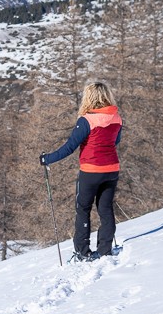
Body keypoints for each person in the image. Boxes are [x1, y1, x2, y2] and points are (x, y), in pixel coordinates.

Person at [40, 80, 122, 262]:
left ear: (89, 97)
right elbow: (115, 141)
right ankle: (105, 249)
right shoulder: (116, 117)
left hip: (91, 170)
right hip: (112, 169)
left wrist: (47, 159)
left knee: (83, 209)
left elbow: (70, 147)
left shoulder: (86, 120)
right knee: (105, 209)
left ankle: (83, 252)